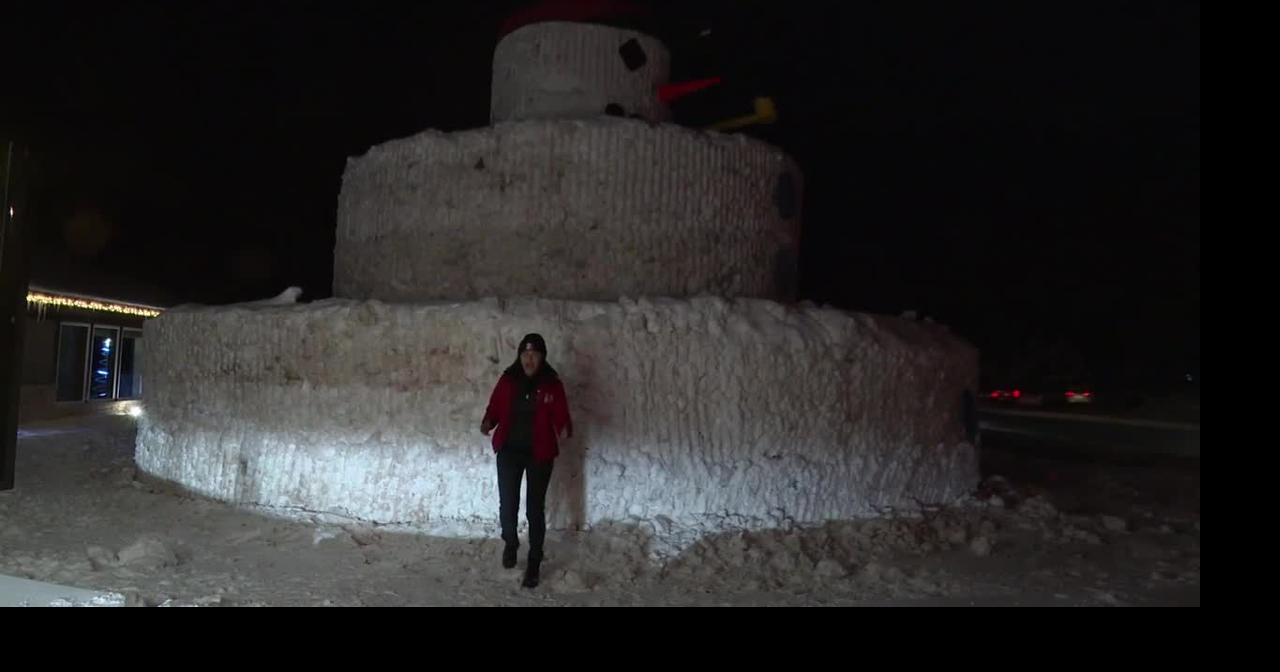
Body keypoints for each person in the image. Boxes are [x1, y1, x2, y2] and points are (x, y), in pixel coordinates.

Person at [480, 333, 573, 588]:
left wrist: (564, 426)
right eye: (525, 354)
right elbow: (495, 406)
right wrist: (489, 421)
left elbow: (561, 413)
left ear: (542, 358)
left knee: (535, 508)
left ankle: (534, 561)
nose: (529, 359)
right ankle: (510, 542)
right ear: (519, 356)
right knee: (507, 505)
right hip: (509, 450)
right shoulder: (508, 380)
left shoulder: (552, 384)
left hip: (539, 453)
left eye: (534, 355)